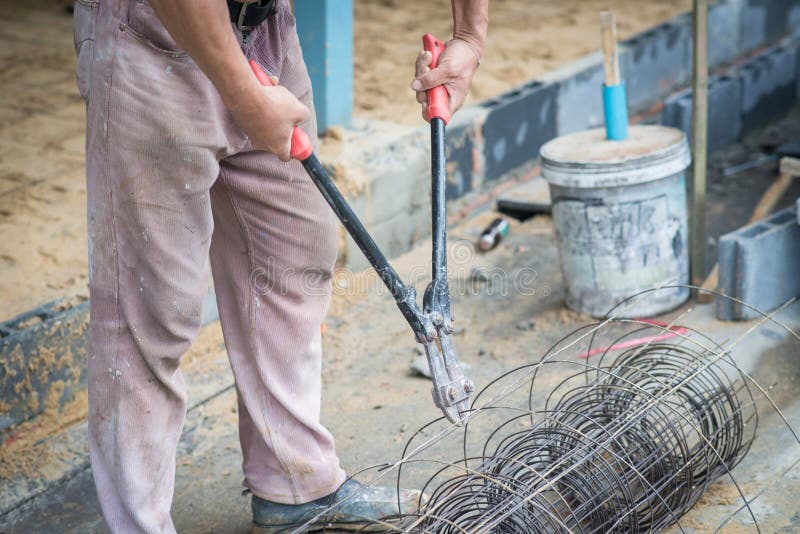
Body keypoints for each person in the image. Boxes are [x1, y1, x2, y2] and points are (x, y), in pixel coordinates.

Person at [72, 0, 487, 531]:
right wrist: (243, 95)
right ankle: (138, 523)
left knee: (294, 252)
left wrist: (469, 37)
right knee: (151, 303)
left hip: (263, 27)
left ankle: (294, 485)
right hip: (154, 32)